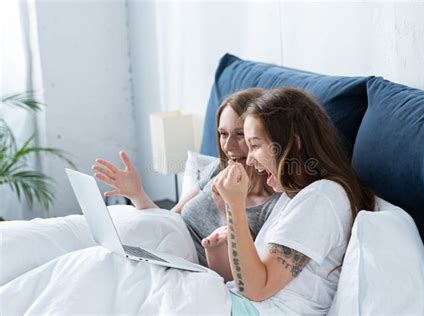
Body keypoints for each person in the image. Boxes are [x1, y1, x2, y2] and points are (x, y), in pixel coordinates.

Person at [211, 87, 375, 315]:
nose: (249, 159)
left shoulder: (321, 199)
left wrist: (234, 206)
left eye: (255, 145)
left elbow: (256, 289)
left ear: (294, 144)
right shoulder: (296, 195)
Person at [92, 88, 280, 279]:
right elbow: (170, 220)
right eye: (223, 134)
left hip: (192, 278)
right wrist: (137, 194)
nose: (228, 146)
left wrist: (229, 210)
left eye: (239, 134)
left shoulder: (273, 205)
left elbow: (245, 279)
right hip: (163, 257)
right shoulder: (217, 170)